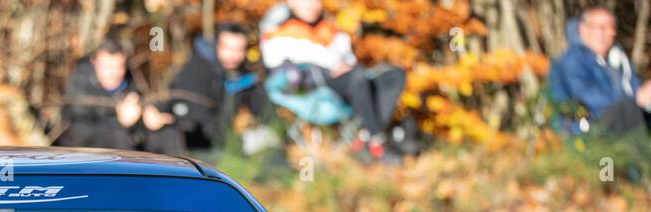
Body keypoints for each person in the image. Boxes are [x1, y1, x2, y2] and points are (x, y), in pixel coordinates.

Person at [259, 0, 408, 160]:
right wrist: (327, 71)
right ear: (291, 3)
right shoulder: (281, 31)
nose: (311, 5)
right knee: (357, 77)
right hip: (317, 87)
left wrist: (346, 67)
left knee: (394, 75)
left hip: (350, 81)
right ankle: (376, 141)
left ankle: (365, 136)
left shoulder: (330, 30)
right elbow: (280, 71)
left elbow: (349, 60)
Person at [58, 36, 178, 152]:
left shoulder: (130, 80)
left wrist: (149, 117)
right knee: (119, 136)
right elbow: (81, 135)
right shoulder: (79, 87)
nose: (114, 73)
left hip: (132, 143)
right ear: (94, 62)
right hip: (92, 155)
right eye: (108, 67)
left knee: (167, 132)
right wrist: (119, 123)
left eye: (119, 67)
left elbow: (143, 101)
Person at [550, 8, 651, 138]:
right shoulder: (572, 62)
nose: (605, 33)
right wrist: (637, 99)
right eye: (599, 27)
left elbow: (635, 88)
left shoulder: (617, 58)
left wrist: (649, 93)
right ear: (582, 29)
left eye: (609, 27)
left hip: (623, 125)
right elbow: (591, 100)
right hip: (588, 134)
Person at [167, 23, 274, 152]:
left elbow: (263, 108)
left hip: (228, 143)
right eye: (228, 48)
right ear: (216, 46)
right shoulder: (197, 70)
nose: (234, 55)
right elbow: (195, 118)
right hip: (197, 148)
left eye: (239, 49)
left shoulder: (242, 75)